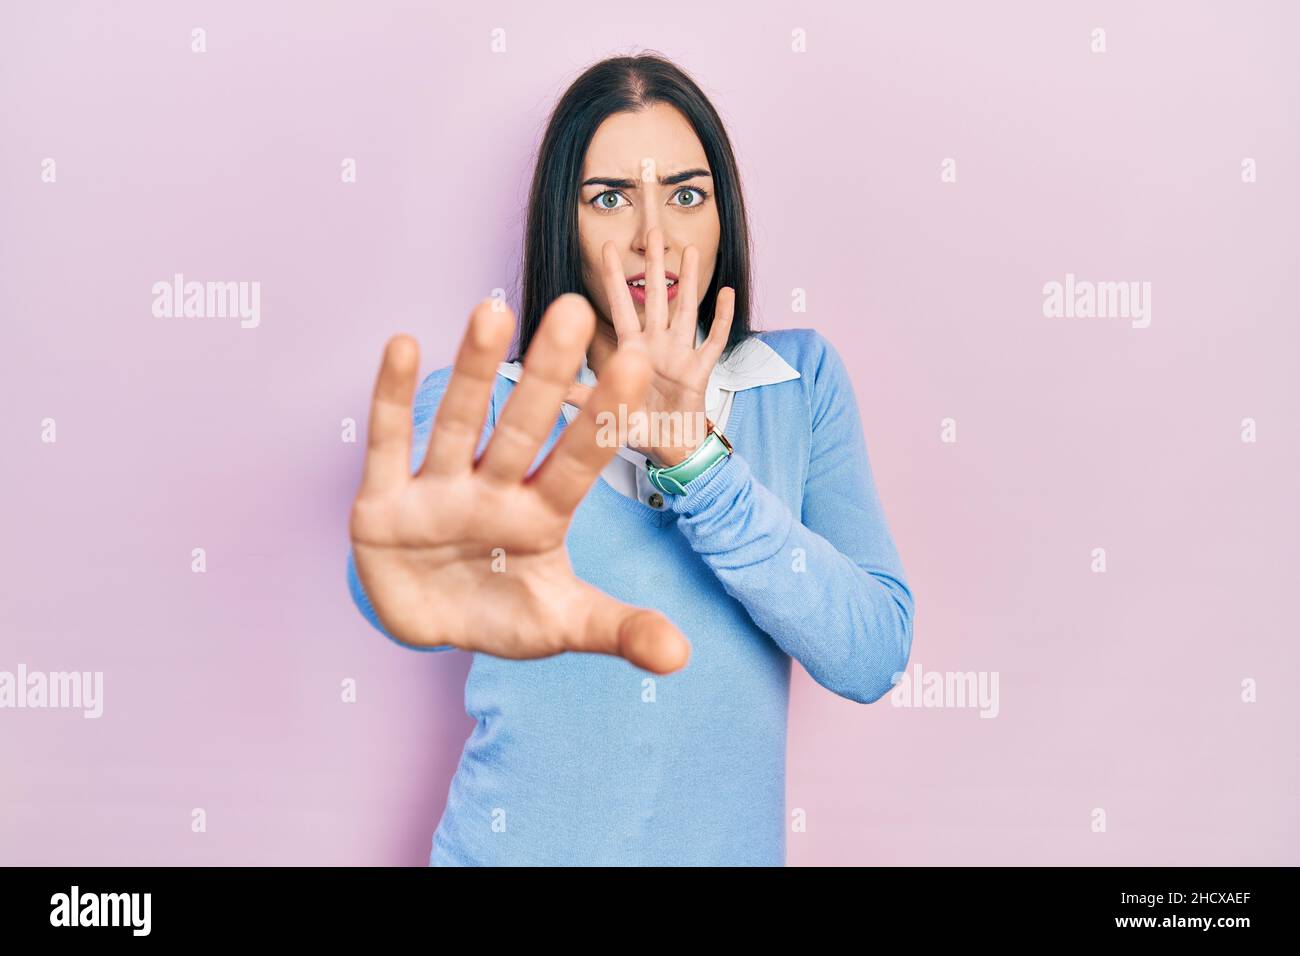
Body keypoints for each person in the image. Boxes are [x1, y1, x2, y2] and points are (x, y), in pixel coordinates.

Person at [346, 53, 914, 866]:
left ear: (725, 216)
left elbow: (871, 654)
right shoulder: (492, 402)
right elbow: (396, 584)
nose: (656, 238)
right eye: (610, 199)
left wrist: (698, 467)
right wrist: (397, 571)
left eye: (687, 194)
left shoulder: (796, 382)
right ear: (561, 224)